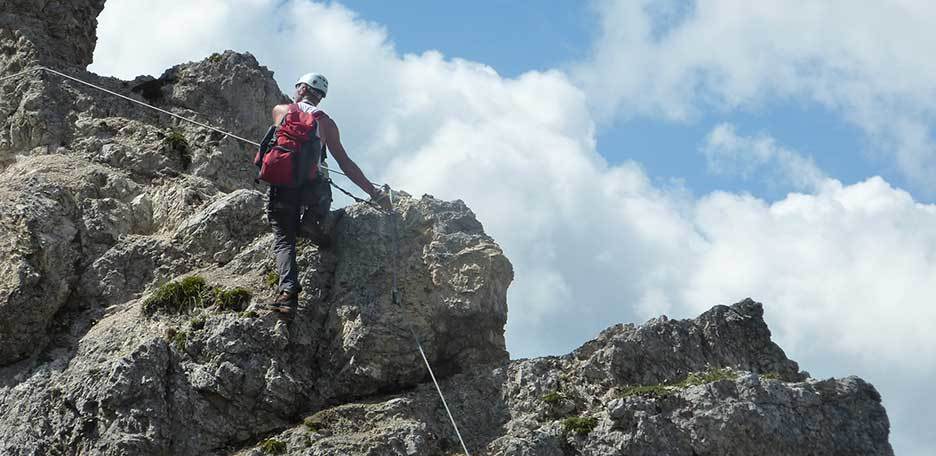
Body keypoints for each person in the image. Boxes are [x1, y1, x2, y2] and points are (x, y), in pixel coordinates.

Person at [265, 72, 390, 315]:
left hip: (282, 186)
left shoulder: (280, 110)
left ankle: (288, 292)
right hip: (311, 188)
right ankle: (313, 220)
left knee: (284, 239)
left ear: (301, 88)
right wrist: (374, 193)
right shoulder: (327, 123)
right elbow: (346, 164)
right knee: (323, 187)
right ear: (320, 97)